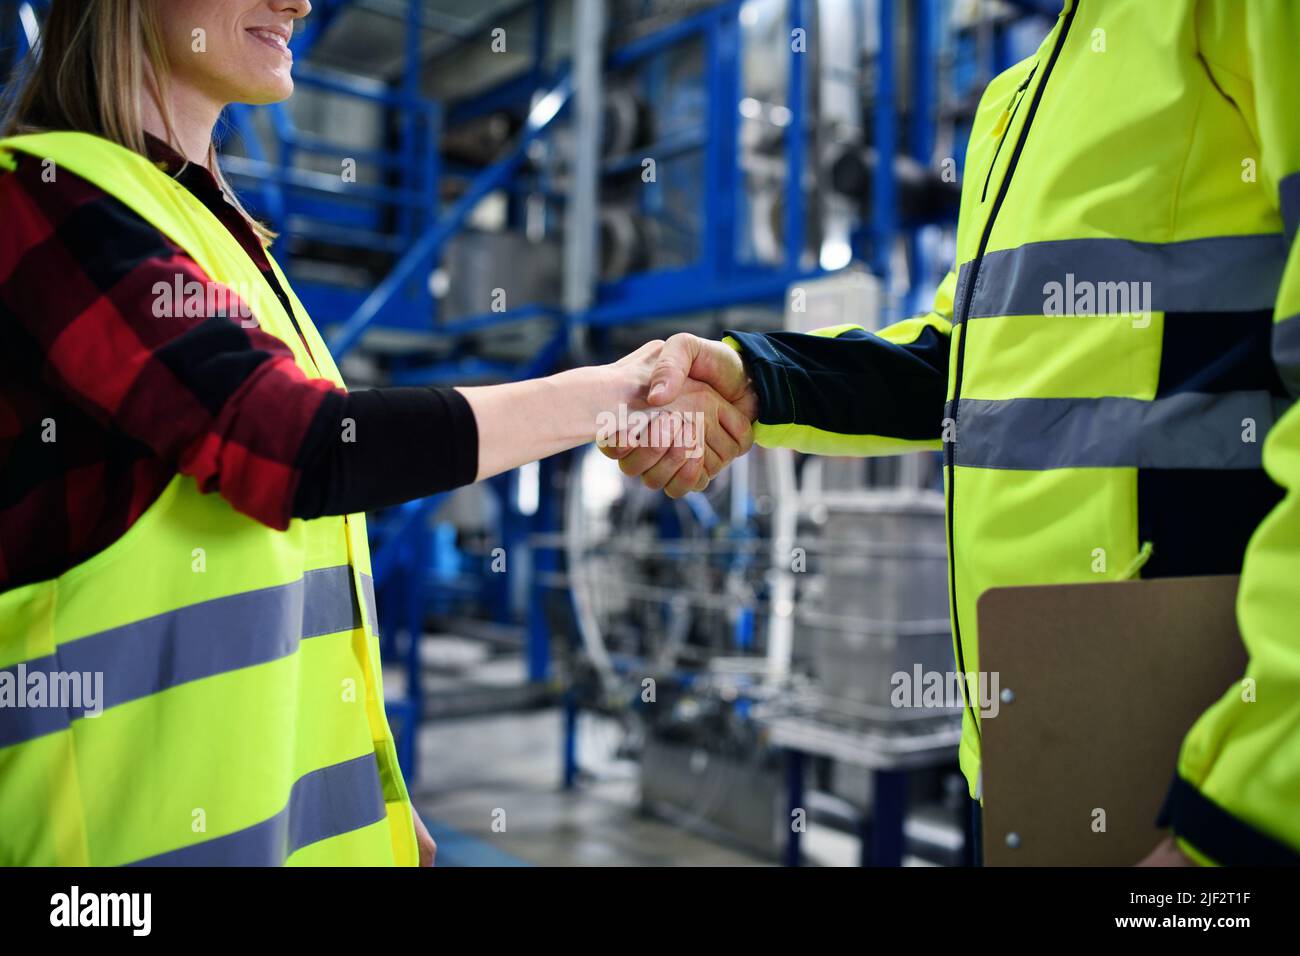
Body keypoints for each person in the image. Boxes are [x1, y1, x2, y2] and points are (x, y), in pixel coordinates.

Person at [0, 0, 755, 866]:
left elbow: (301, 581)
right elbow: (304, 448)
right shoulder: (36, 197)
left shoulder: (228, 247)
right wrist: (610, 396)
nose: (300, 2)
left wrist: (372, 794)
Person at [612, 0, 1300, 866]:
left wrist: (1248, 820)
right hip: (1031, 754)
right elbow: (960, 363)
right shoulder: (1019, 96)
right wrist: (755, 378)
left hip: (1199, 768)